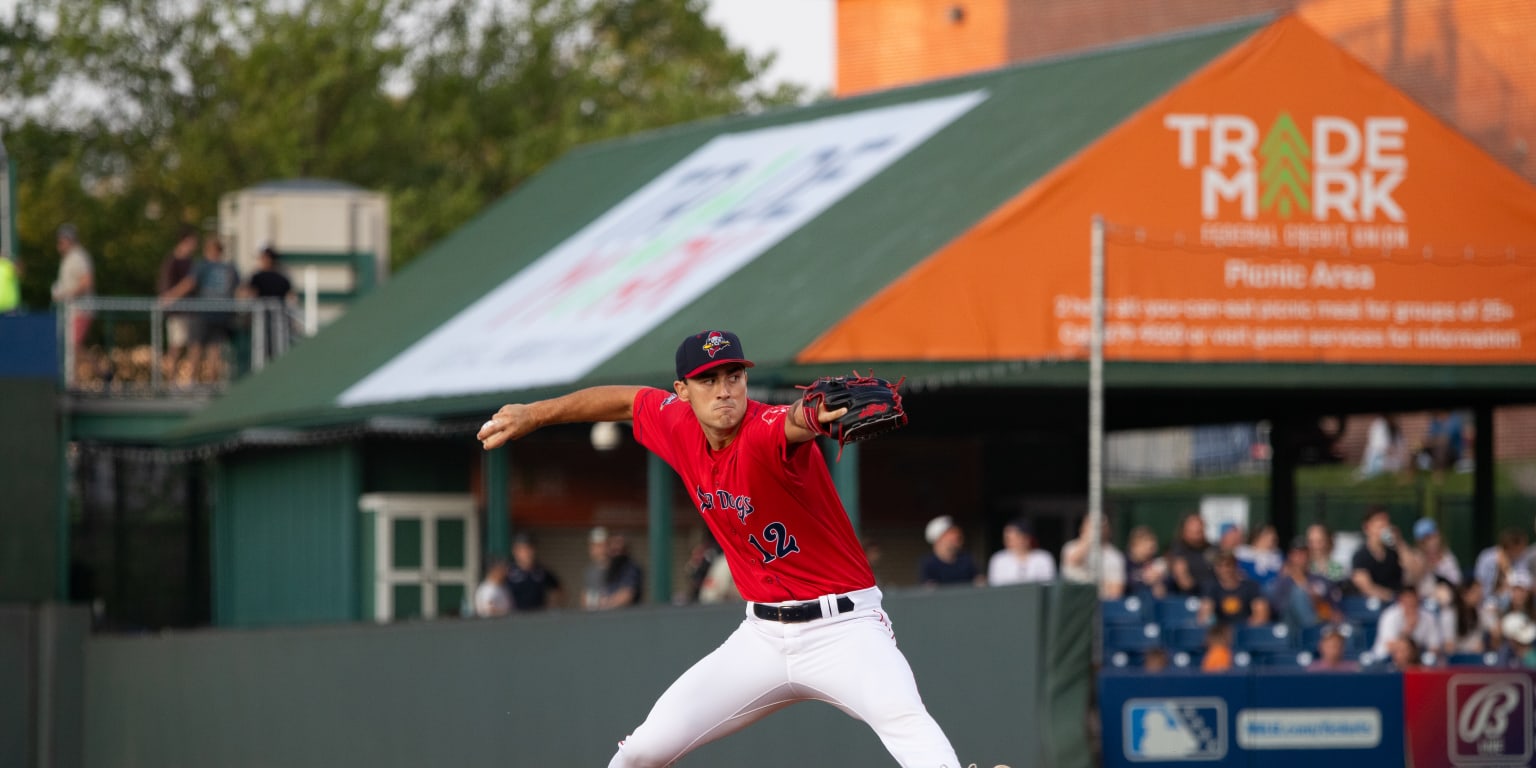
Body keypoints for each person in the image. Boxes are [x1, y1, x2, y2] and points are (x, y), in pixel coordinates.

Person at [477, 329, 966, 767]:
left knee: (906, 723)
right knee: (641, 753)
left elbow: (796, 419)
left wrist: (817, 413)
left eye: (733, 375)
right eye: (709, 380)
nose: (725, 389)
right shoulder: (676, 424)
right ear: (682, 392)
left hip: (845, 629)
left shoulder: (765, 429)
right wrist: (535, 414)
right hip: (762, 639)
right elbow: (624, 401)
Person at [161, 235, 239, 383]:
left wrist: (170, 296)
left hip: (202, 313)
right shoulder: (229, 268)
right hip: (222, 314)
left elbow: (189, 283)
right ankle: (212, 384)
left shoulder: (203, 265)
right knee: (214, 350)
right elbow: (239, 290)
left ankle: (192, 383)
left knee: (195, 348)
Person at [157, 225, 199, 381]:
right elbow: (171, 288)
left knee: (193, 346)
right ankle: (172, 381)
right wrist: (173, 296)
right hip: (177, 312)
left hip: (191, 311)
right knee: (176, 346)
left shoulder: (191, 261)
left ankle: (190, 381)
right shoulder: (173, 261)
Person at [240, 244, 294, 356]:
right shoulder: (257, 276)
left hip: (277, 320)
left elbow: (290, 296)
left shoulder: (280, 277)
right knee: (261, 348)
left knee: (276, 347)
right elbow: (247, 293)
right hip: (261, 319)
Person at [1060, 514, 1126, 599]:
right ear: (1083, 527)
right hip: (1074, 603)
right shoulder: (1070, 547)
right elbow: (1073, 560)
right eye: (1092, 526)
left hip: (1101, 605)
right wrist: (1088, 540)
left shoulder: (1115, 556)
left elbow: (1116, 592)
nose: (1097, 530)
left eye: (1100, 527)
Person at [1198, 552, 1271, 627]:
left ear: (1235, 566)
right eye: (1220, 566)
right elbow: (1205, 615)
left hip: (1245, 630)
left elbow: (1261, 613)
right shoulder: (1211, 587)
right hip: (1220, 632)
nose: (1224, 570)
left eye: (1228, 565)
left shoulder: (1251, 587)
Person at [51, 223, 94, 348]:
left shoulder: (78, 257)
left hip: (80, 309)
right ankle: (98, 368)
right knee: (73, 346)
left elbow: (87, 282)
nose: (59, 245)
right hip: (71, 310)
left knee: (73, 346)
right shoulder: (68, 258)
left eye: (62, 241)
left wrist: (66, 295)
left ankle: (98, 369)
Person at [1351, 506, 1407, 601]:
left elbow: (1413, 574)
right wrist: (1393, 597)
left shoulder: (1394, 553)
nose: (1384, 528)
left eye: (1386, 523)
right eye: (1379, 525)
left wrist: (1400, 543)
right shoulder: (1360, 556)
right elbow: (1366, 587)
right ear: (1367, 527)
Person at [1371, 587, 1443, 660]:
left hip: (1417, 659)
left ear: (1418, 599)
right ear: (1401, 600)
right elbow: (1390, 645)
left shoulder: (1428, 617)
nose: (1410, 603)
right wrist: (1409, 628)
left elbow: (1435, 646)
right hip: (1386, 659)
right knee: (1401, 654)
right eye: (1407, 600)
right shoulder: (1390, 616)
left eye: (1412, 600)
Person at [986, 518, 1055, 586]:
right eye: (1006, 538)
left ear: (1026, 538)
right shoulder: (999, 559)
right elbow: (995, 587)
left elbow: (1048, 585)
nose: (1007, 542)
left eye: (1011, 539)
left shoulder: (1043, 558)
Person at [919, 514, 984, 587]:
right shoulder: (928, 564)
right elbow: (930, 591)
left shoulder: (967, 560)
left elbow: (980, 583)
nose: (956, 536)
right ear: (938, 539)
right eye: (950, 533)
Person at [506, 532, 562, 611]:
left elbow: (558, 590)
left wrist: (552, 606)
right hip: (514, 617)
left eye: (530, 548)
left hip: (537, 618)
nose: (528, 553)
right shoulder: (507, 572)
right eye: (524, 549)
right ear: (515, 551)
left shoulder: (541, 572)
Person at [1406, 517, 1461, 598]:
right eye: (1426, 539)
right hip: (1421, 604)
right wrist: (1426, 562)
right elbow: (1411, 582)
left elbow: (1457, 583)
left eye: (1434, 536)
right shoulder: (1415, 557)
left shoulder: (1447, 556)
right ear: (1420, 542)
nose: (1432, 541)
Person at [1165, 513, 1215, 597]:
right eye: (1193, 527)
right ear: (1184, 531)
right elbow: (1184, 583)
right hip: (1188, 598)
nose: (1198, 528)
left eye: (1200, 526)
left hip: (1213, 596)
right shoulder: (1178, 550)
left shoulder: (1212, 549)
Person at [1124, 525, 1168, 600]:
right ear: (1134, 545)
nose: (1148, 550)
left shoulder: (1158, 565)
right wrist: (1144, 579)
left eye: (1151, 547)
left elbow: (1162, 592)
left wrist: (1157, 582)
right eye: (1143, 544)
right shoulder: (1124, 562)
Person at [1358, 413, 1407, 479]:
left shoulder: (1396, 429)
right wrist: (1391, 450)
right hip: (1377, 458)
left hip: (1392, 459)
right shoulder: (1379, 425)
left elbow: (1401, 447)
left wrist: (1400, 454)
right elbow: (1378, 445)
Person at [1235, 524, 1282, 589]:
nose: (1275, 538)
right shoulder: (1242, 554)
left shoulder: (1277, 557)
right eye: (1269, 536)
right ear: (1259, 537)